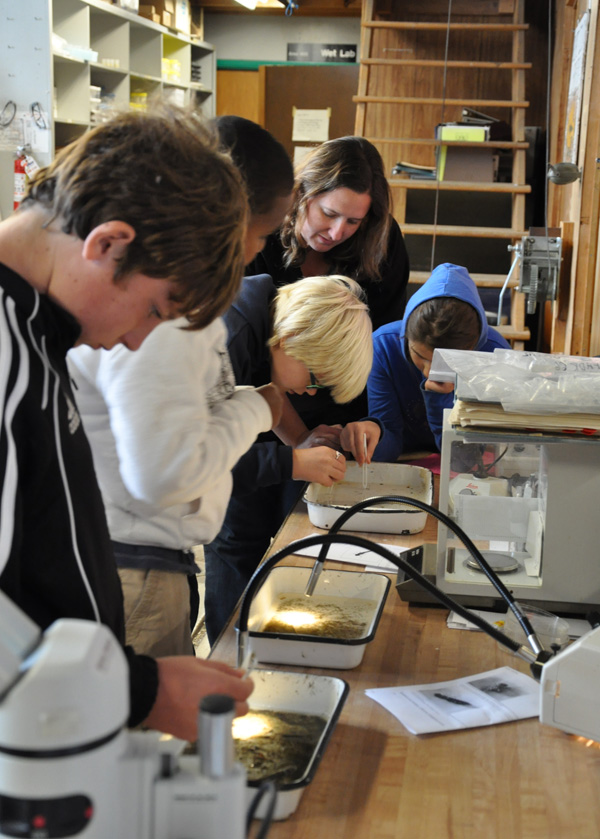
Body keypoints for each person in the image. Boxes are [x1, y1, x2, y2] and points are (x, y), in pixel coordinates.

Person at [0, 104, 255, 743]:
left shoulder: (38, 335)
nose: (140, 342)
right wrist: (135, 691)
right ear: (108, 243)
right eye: (152, 308)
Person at [67, 116, 293, 659]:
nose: (251, 254)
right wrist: (257, 408)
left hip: (146, 562)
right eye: (260, 235)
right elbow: (165, 474)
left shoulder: (179, 304)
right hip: (132, 570)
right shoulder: (164, 308)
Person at [203, 274, 380, 645]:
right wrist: (292, 463)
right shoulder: (226, 337)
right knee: (233, 546)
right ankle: (228, 654)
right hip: (147, 516)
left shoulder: (269, 320)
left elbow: (268, 391)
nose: (311, 392)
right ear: (291, 340)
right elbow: (203, 462)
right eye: (315, 379)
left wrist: (299, 439)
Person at [368, 263, 511, 461]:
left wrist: (437, 398)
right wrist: (370, 434)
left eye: (446, 363)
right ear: (406, 336)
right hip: (403, 459)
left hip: (462, 461)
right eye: (420, 356)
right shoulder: (383, 346)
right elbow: (386, 443)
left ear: (472, 348)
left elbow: (465, 459)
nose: (428, 372)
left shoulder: (494, 354)